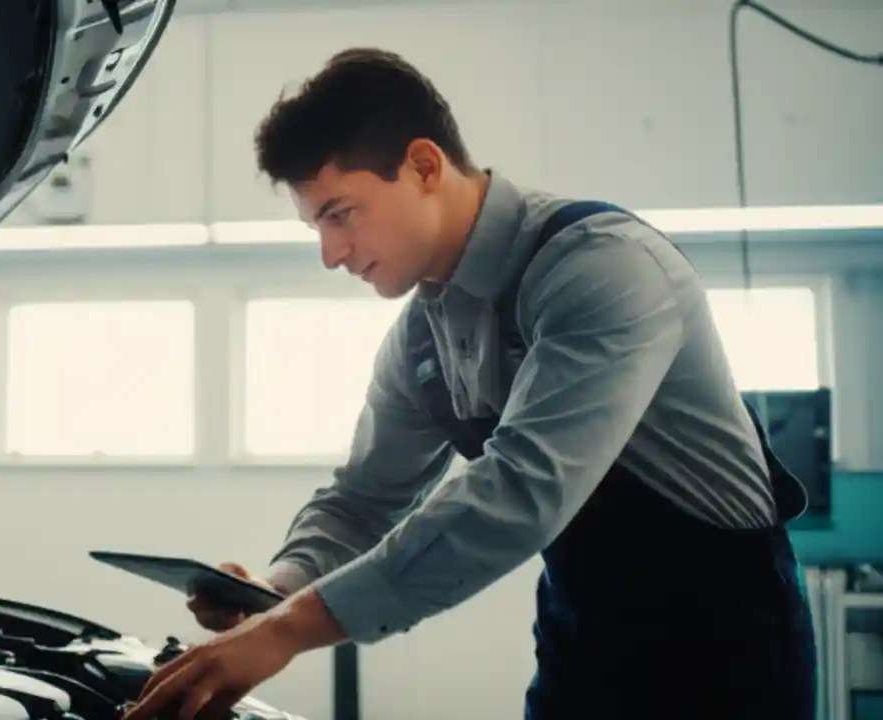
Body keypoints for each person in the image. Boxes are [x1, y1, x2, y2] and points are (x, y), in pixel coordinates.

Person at [122, 47, 817, 720]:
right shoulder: (421, 338)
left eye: (340, 214)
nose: (330, 254)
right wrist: (277, 593)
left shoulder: (603, 267)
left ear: (424, 166)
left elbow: (522, 488)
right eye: (316, 226)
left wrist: (289, 631)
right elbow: (364, 499)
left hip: (722, 646)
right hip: (582, 642)